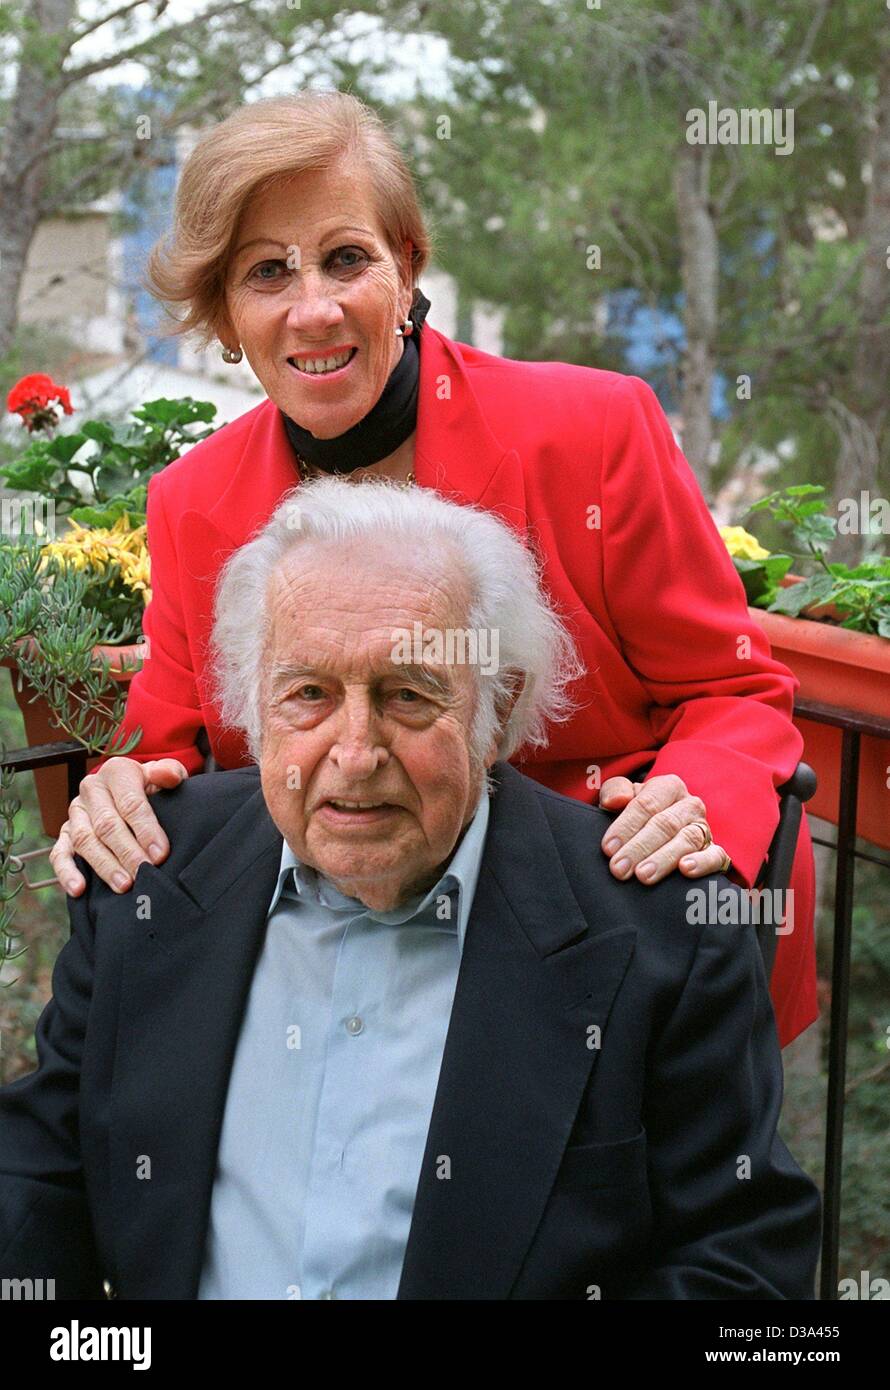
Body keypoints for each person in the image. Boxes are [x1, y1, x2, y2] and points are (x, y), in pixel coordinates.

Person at [48, 89, 817, 1050]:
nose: (314, 308)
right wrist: (120, 788)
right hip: (349, 966)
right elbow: (176, 746)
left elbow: (734, 690)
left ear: (407, 267)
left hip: (613, 936)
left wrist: (695, 800)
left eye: (346, 259)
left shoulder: (593, 432)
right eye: (266, 273)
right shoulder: (193, 500)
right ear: (224, 315)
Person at [0, 481, 821, 1300]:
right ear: (254, 707)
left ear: (496, 710)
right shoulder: (147, 874)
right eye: (309, 694)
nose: (354, 754)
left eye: (408, 695)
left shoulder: (658, 933)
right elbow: (41, 1177)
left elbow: (742, 1264)